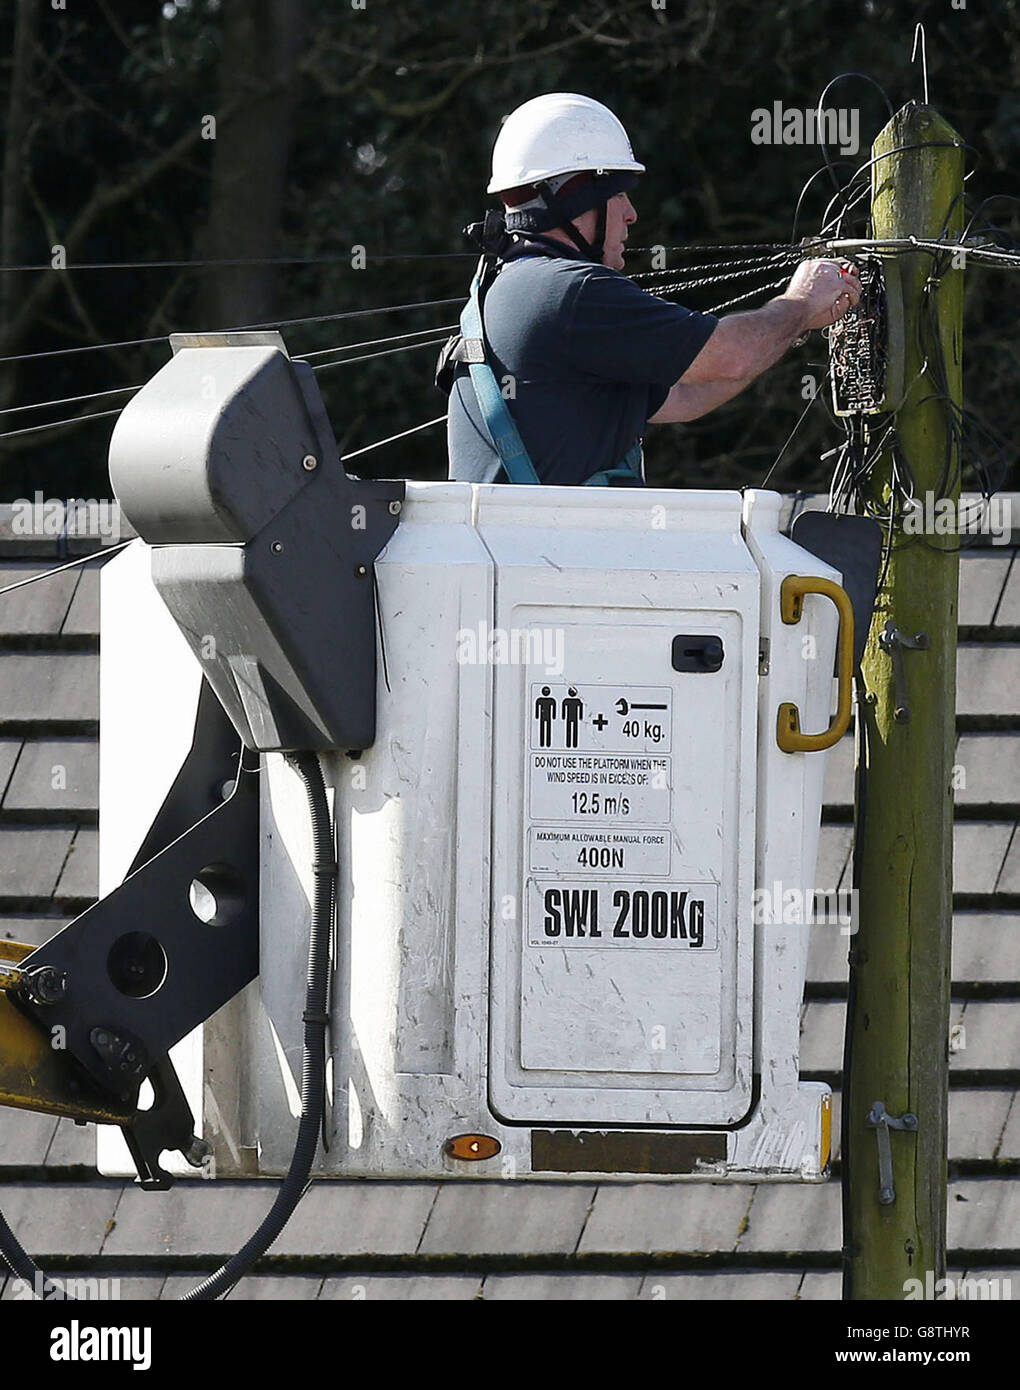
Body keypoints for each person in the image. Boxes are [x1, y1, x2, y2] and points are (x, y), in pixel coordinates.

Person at [439, 92, 862, 488]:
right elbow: (731, 357)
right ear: (573, 198)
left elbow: (686, 394)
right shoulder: (572, 292)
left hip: (520, 558)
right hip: (557, 562)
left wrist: (794, 323)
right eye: (617, 193)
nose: (631, 214)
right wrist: (800, 302)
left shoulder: (502, 287)